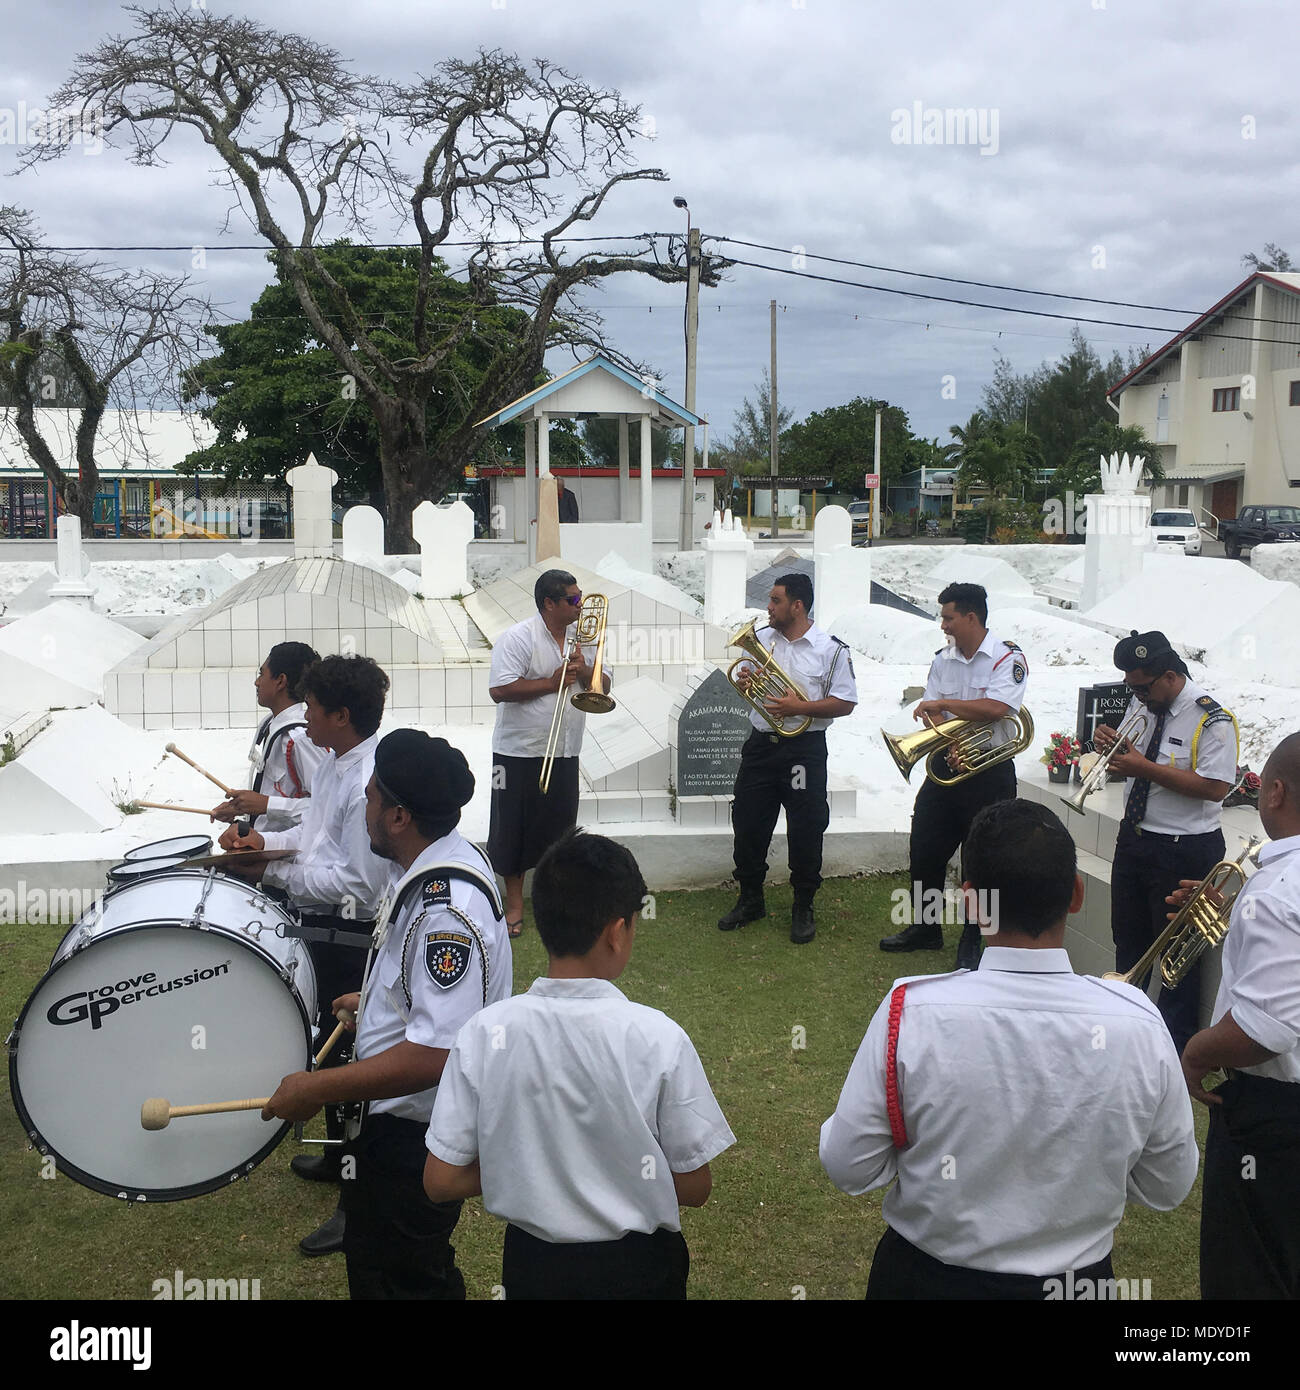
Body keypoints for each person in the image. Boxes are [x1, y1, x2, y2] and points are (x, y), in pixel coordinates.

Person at [822, 799, 1198, 1299]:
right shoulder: (1139, 1021)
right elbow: (1167, 1186)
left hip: (925, 1281)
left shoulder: (910, 1010)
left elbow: (850, 1167)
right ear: (1077, 895)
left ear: (972, 902)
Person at [423, 829, 735, 1300]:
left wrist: (529, 1162)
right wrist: (613, 1164)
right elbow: (694, 1186)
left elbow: (440, 1180)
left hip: (532, 1269)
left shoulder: (485, 1033)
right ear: (617, 931)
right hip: (639, 1271)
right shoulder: (657, 1037)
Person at [262, 730, 510, 1299]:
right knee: (399, 1262)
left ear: (398, 816)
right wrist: (374, 1003)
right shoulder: (436, 859)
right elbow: (425, 998)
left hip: (414, 1132)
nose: (364, 810)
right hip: (401, 1127)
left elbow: (435, 1053)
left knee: (399, 1274)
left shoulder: (444, 910)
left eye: (371, 798)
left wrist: (318, 1088)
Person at [226, 653, 392, 1256]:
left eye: (315, 709)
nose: (305, 718)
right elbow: (313, 839)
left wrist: (279, 876)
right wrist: (265, 846)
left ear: (341, 716)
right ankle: (335, 1160)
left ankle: (356, 1204)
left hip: (349, 936)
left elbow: (358, 885)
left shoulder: (366, 779)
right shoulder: (334, 763)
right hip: (321, 926)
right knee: (326, 1042)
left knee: (349, 1057)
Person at [1176, 731, 1300, 1300]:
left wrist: (1196, 1054)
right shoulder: (1273, 890)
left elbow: (1265, 1030)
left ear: (1274, 792)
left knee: (1248, 1275)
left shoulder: (1277, 893)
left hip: (1275, 1118)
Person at [1093, 629, 1236, 1055]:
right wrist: (1114, 751)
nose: (1135, 695)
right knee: (1128, 943)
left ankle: (1172, 1050)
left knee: (1176, 962)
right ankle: (1125, 1034)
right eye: (1130, 686)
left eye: (1141, 686)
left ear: (1170, 676)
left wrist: (1142, 765)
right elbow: (1131, 764)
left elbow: (1215, 787)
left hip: (1184, 849)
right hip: (1135, 839)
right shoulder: (1145, 701)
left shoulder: (1213, 719)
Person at [879, 581, 1028, 970]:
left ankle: (974, 936)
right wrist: (948, 737)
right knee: (924, 850)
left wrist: (945, 705)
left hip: (990, 770)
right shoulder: (942, 658)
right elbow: (933, 712)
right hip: (949, 763)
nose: (942, 624)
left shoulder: (1006, 658)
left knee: (982, 859)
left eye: (948, 617)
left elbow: (997, 708)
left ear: (971, 617)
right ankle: (926, 928)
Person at [716, 572, 857, 944]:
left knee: (806, 827)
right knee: (747, 822)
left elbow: (845, 702)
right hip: (761, 746)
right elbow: (746, 676)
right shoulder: (761, 639)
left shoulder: (831, 649)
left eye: (776, 601)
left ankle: (803, 905)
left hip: (803, 751)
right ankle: (750, 899)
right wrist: (746, 682)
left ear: (797, 605)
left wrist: (801, 706)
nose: (769, 607)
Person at [487, 569, 611, 938]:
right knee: (513, 829)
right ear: (549, 604)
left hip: (565, 749)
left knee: (560, 829)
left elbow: (603, 685)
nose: (580, 605)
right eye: (572, 600)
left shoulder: (584, 637)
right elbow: (500, 689)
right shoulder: (518, 637)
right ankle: (514, 904)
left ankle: (554, 902)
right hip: (519, 751)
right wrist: (552, 682)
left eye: (581, 596)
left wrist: (585, 668)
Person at [211, 641, 324, 843]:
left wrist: (266, 804)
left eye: (261, 674)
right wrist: (240, 808)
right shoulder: (270, 725)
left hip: (289, 854)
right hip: (264, 842)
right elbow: (272, 796)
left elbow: (326, 807)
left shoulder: (300, 737)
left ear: (280, 681)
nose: (257, 682)